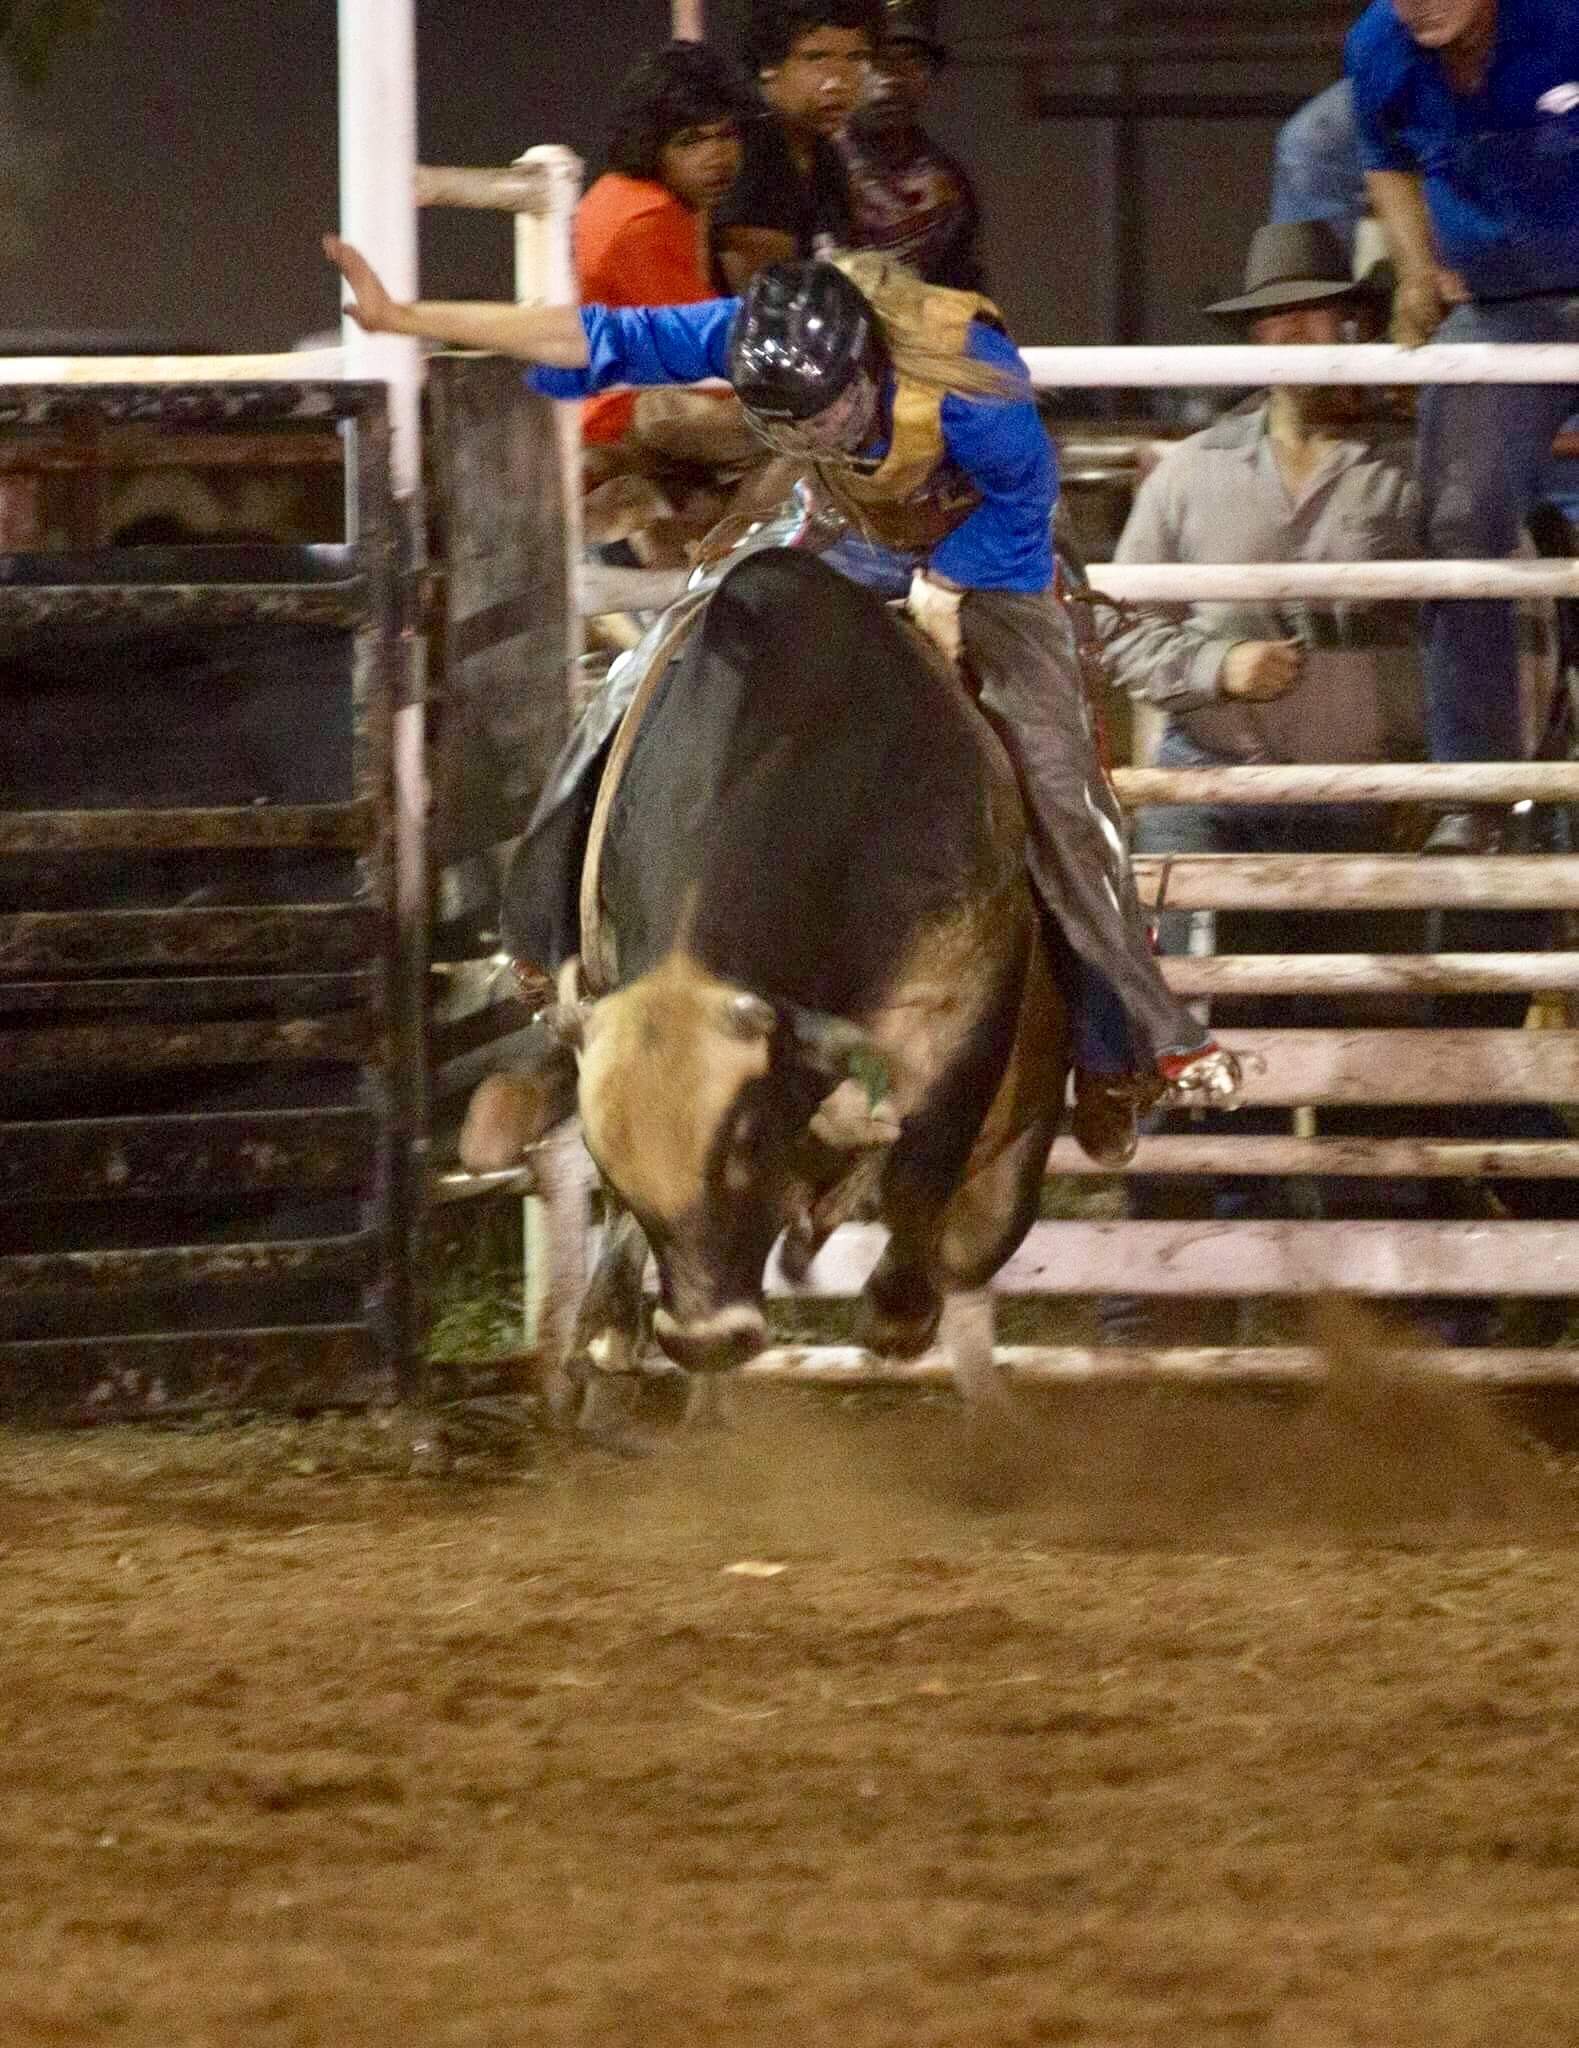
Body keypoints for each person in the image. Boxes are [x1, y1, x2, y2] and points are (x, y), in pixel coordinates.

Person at [324, 236, 1243, 1159]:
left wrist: (950, 585)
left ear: (867, 367)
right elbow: (600, 336)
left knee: (1056, 775)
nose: (812, 432)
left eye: (827, 412)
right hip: (844, 518)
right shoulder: (757, 339)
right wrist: (410, 316)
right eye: (789, 424)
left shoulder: (969, 378)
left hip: (990, 542)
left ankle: (1143, 1028)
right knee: (651, 662)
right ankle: (540, 927)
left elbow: (1022, 498)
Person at [1103, 217, 1568, 1346]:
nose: (1301, 335)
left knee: (1382, 1057)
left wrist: (1462, 775)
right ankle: (1188, 1304)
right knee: (1207, 1056)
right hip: (1221, 799)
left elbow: (1504, 634)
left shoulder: (1424, 477)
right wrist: (1219, 664)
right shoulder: (1194, 474)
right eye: (1281, 318)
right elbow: (1113, 631)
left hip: (1375, 806)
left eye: (1320, 315)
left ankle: (1407, 1320)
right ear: (1255, 338)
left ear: (1356, 327)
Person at [1348, 0, 1579, 850]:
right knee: (1454, 520)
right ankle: (1473, 787)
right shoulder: (1379, 43)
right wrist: (1413, 268)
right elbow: (1385, 158)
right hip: (1503, 305)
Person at [576, 42, 762, 485]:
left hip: (619, 407)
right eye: (691, 141)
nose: (718, 158)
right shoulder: (647, 218)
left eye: (726, 135)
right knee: (807, 428)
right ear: (650, 145)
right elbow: (705, 354)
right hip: (616, 419)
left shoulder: (625, 194)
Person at [713, 0, 881, 290]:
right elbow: (767, 306)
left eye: (855, 58)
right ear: (769, 64)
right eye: (816, 57)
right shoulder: (746, 148)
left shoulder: (823, 152)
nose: (837, 81)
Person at [837, 5, 987, 292]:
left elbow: (962, 297)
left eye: (911, 60)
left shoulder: (947, 186)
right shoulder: (812, 163)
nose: (892, 78)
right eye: (876, 60)